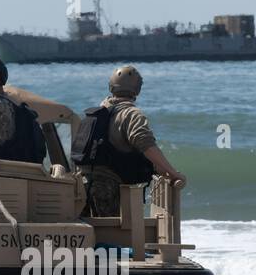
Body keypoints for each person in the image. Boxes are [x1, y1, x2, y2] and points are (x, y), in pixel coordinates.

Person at [72, 64, 186, 217]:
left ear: (111, 87)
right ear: (137, 90)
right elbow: (146, 145)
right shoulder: (131, 114)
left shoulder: (98, 113)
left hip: (81, 185)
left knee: (88, 235)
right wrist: (172, 173)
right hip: (107, 187)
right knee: (110, 237)